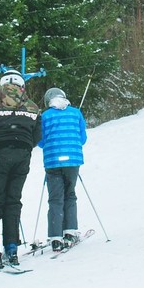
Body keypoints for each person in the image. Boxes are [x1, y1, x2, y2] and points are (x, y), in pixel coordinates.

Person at [0, 71, 41, 268]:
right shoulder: (32, 106)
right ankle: (12, 248)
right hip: (22, 155)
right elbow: (37, 136)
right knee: (13, 201)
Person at [40, 87, 88, 252]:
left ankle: (55, 237)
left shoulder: (45, 116)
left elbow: (40, 140)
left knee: (55, 198)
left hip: (53, 161)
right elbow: (82, 138)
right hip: (73, 160)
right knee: (70, 194)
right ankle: (70, 232)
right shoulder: (76, 113)